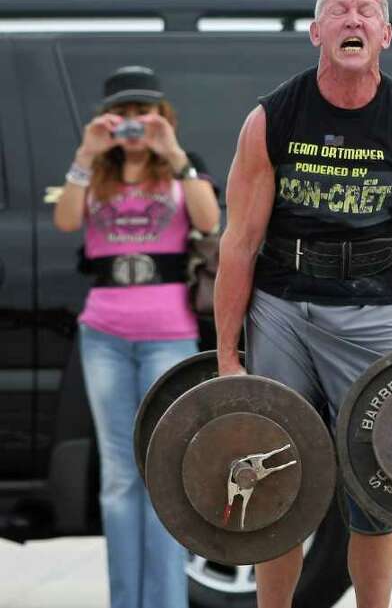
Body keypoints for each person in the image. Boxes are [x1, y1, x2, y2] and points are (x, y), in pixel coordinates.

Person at [213, 0, 392, 608]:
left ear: (385, 35)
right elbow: (239, 241)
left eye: (367, 11)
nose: (354, 18)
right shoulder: (272, 117)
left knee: (377, 484)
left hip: (378, 311)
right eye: (339, 11)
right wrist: (228, 355)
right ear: (318, 32)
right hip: (284, 308)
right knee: (272, 479)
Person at [53, 65, 221, 608]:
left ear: (162, 117)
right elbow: (64, 220)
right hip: (104, 332)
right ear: (105, 120)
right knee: (120, 478)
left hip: (167, 335)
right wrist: (85, 154)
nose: (131, 124)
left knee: (164, 473)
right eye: (121, 114)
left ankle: (167, 602)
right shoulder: (95, 174)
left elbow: (209, 219)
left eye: (142, 113)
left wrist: (174, 153)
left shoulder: (178, 170)